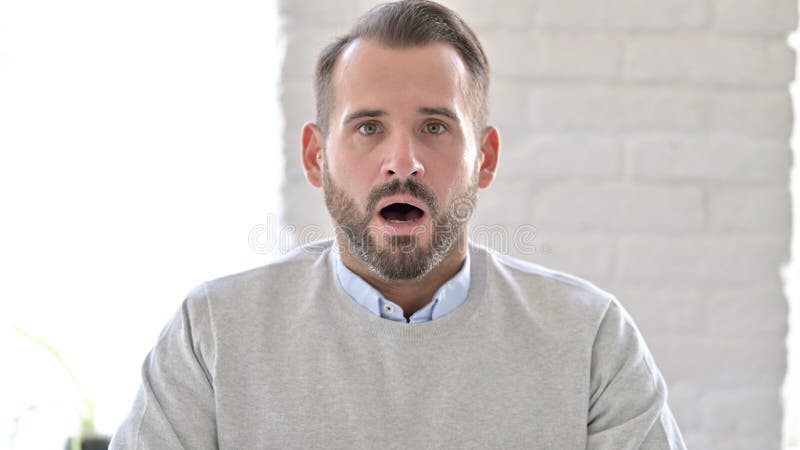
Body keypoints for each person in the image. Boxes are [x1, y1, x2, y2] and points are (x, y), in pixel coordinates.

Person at [110, 1, 686, 448]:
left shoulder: (592, 339)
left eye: (435, 126)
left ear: (485, 158)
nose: (402, 161)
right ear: (315, 157)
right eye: (368, 128)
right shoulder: (212, 333)